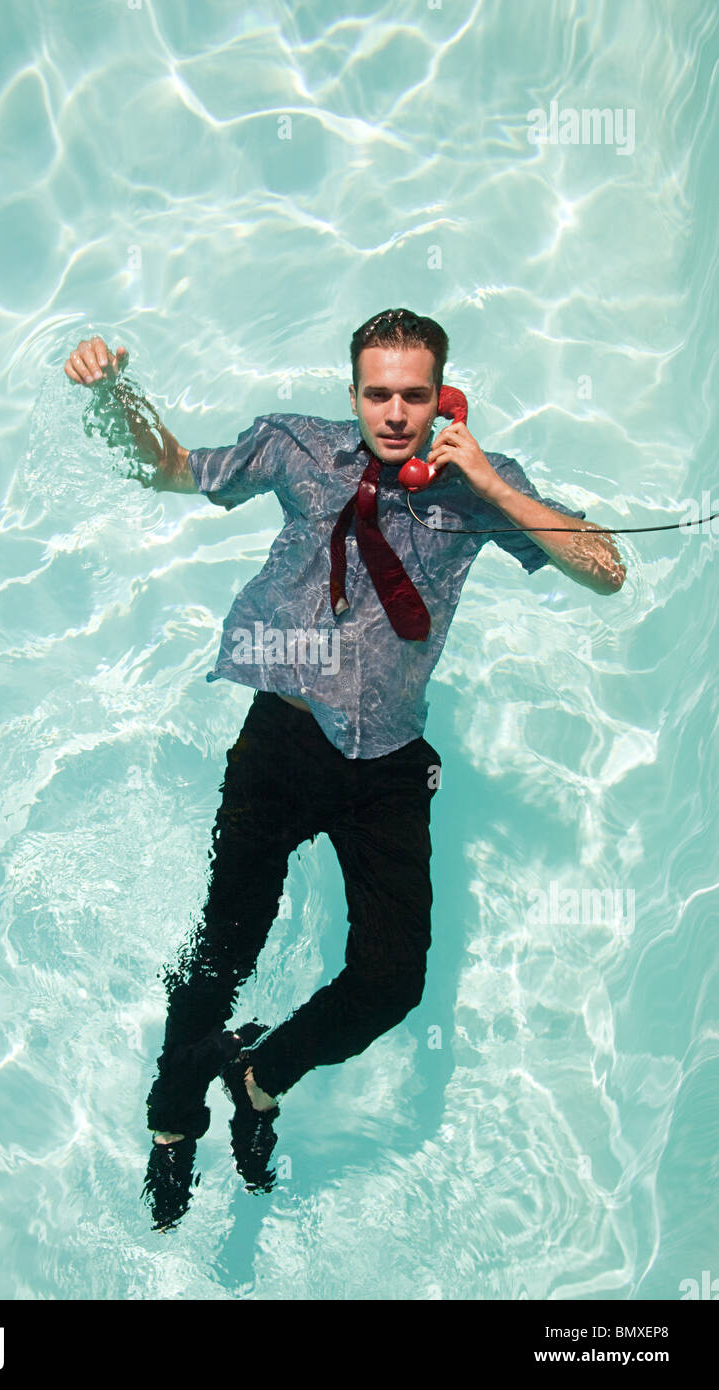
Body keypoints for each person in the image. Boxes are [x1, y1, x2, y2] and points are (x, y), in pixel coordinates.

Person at [64, 308, 626, 1227]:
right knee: (221, 952)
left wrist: (490, 483)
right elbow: (169, 469)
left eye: (414, 394)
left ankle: (258, 1076)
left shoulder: (475, 485)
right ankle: (172, 1123)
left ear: (441, 393)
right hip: (282, 744)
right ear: (353, 390)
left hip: (389, 761)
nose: (395, 413)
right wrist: (115, 394)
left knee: (393, 978)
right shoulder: (300, 448)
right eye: (378, 393)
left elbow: (606, 569)